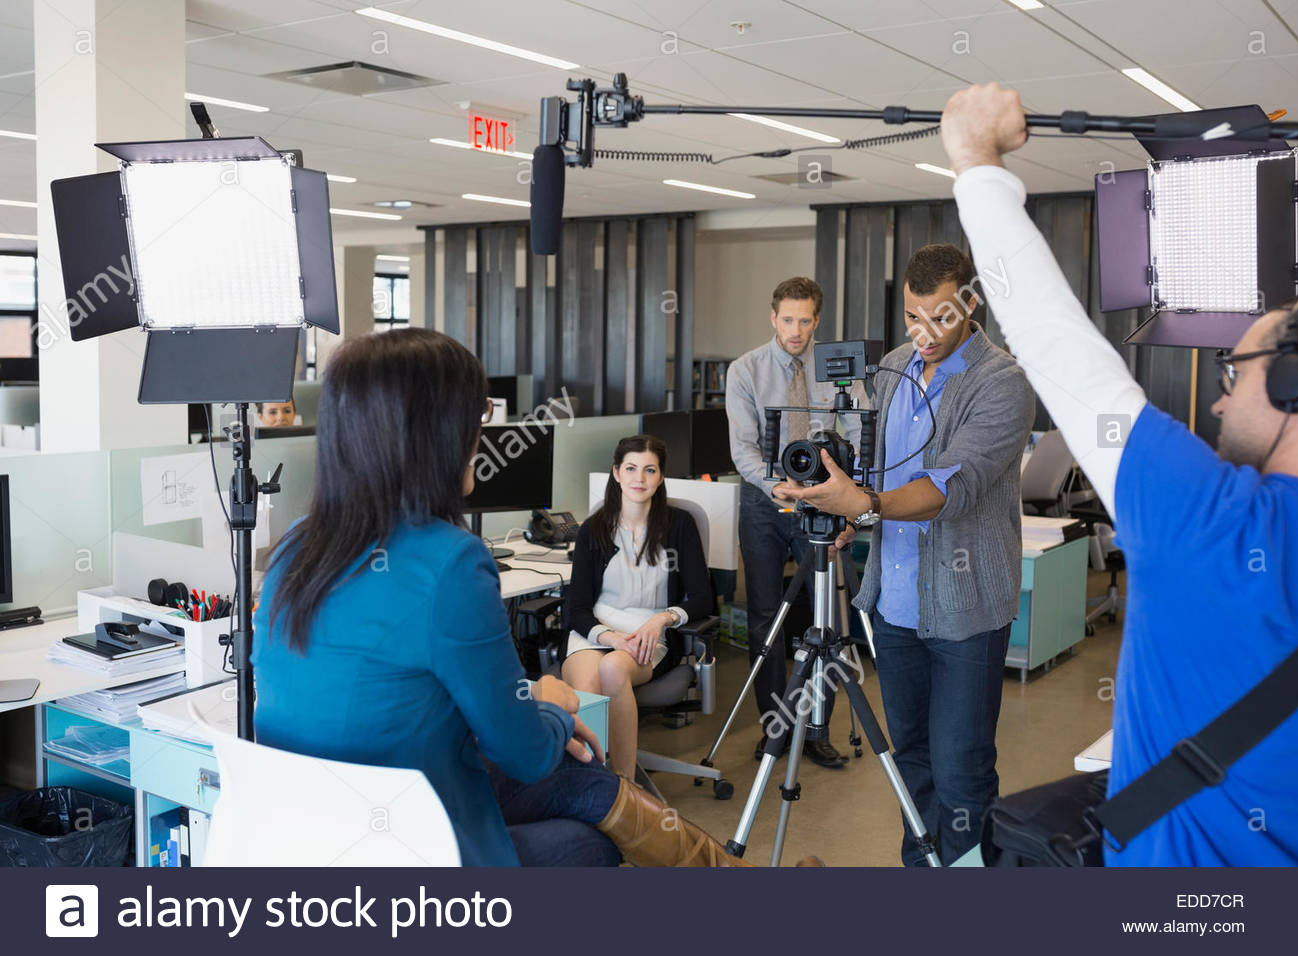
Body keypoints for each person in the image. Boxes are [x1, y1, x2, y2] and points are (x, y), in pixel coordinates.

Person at [923, 82, 1298, 865]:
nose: (1222, 406)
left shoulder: (1219, 523)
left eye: (1238, 372)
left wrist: (975, 159)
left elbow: (1060, 349)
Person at [252, 328, 753, 867]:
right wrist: (555, 702)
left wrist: (535, 706)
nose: (482, 433)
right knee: (590, 835)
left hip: (325, 830)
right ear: (437, 433)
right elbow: (527, 752)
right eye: (478, 416)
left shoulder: (293, 548)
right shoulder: (451, 562)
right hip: (419, 843)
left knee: (584, 779)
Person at [774, 246, 1037, 866]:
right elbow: (879, 471)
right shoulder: (893, 367)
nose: (924, 334)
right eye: (913, 318)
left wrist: (860, 504)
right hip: (892, 609)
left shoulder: (1003, 383)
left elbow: (951, 488)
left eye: (940, 318)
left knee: (961, 769)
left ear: (970, 305)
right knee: (908, 763)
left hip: (964, 614)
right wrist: (846, 514)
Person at [726, 276, 867, 768]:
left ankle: (816, 728)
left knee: (821, 617)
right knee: (767, 619)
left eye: (805, 320)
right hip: (766, 503)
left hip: (823, 501)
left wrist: (848, 496)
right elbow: (743, 447)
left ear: (817, 320)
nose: (796, 329)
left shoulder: (835, 368)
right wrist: (775, 486)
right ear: (773, 317)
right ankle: (775, 728)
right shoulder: (746, 370)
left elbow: (859, 429)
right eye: (788, 319)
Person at [562, 435, 713, 778]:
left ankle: (624, 789)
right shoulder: (593, 530)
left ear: (660, 478)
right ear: (616, 473)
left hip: (649, 635)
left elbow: (703, 598)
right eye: (631, 468)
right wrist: (609, 637)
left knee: (614, 669)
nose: (639, 479)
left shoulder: (679, 526)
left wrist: (663, 618)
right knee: (588, 684)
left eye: (649, 470)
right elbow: (577, 608)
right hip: (596, 630)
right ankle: (589, 786)